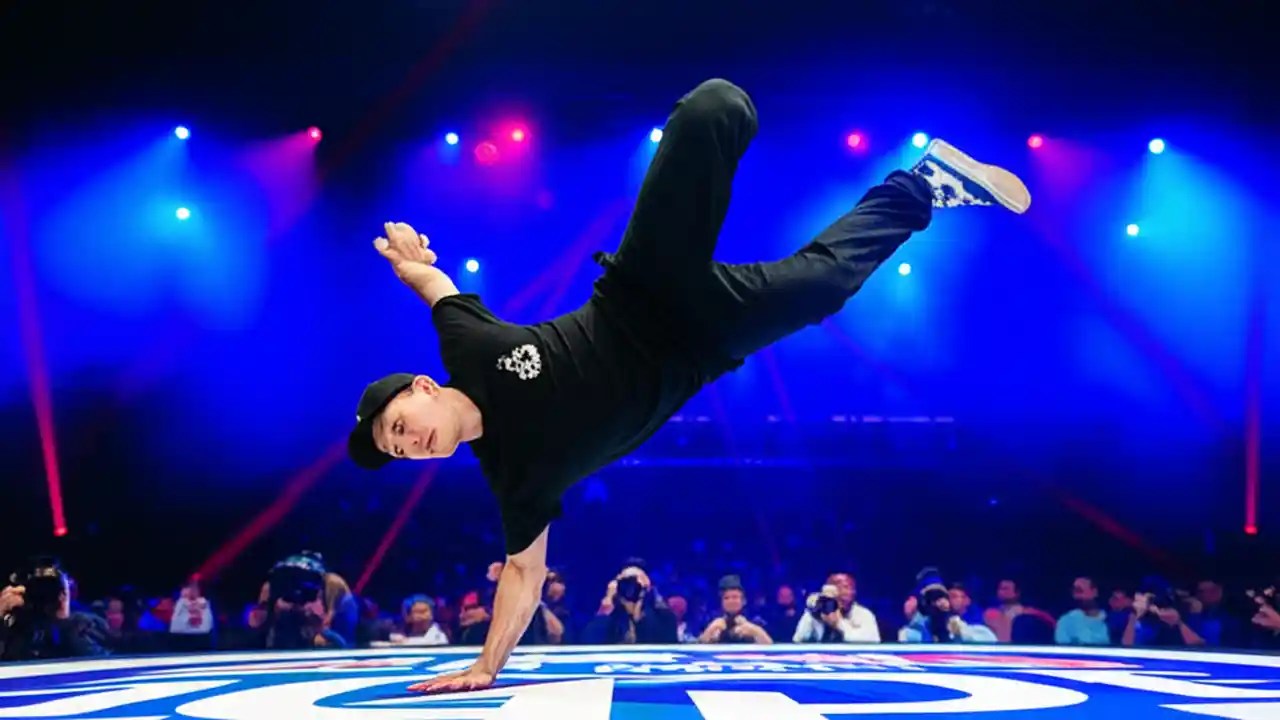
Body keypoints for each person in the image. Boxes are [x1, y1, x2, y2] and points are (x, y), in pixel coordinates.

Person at [346, 78, 1030, 693]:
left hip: (642, 290)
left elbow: (438, 290)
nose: (407, 442)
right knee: (825, 285)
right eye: (399, 451)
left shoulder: (466, 346)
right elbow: (523, 577)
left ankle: (754, 122)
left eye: (398, 424)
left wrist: (411, 266)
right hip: (704, 342)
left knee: (715, 106)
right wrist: (487, 666)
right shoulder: (515, 479)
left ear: (422, 388)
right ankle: (921, 184)